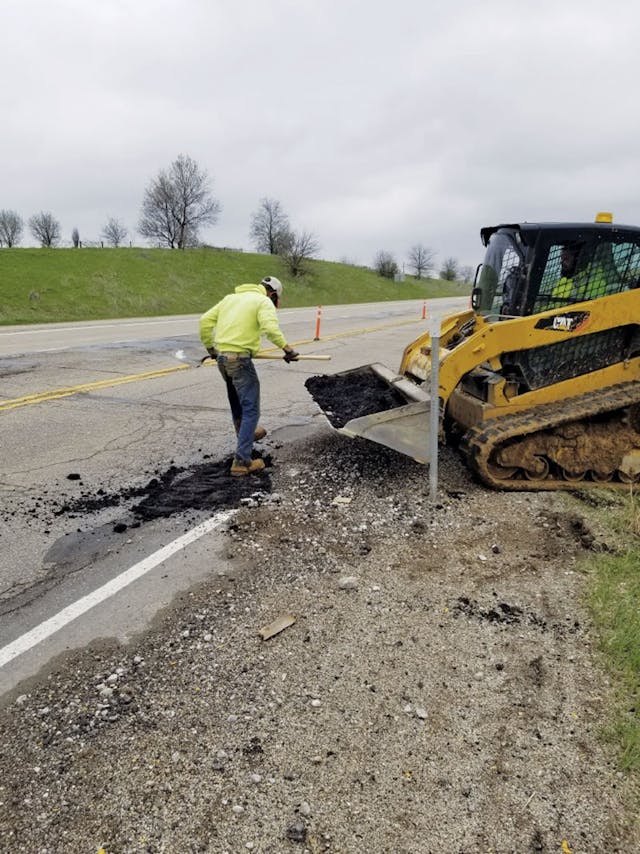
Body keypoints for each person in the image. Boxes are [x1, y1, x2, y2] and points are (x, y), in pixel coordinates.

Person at [199, 275, 299, 476]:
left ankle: (246, 432)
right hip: (240, 361)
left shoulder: (229, 299)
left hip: (223, 360)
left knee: (236, 401)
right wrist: (287, 349)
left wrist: (211, 348)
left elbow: (204, 321)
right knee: (251, 408)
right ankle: (242, 461)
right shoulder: (262, 301)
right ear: (272, 294)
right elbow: (270, 329)